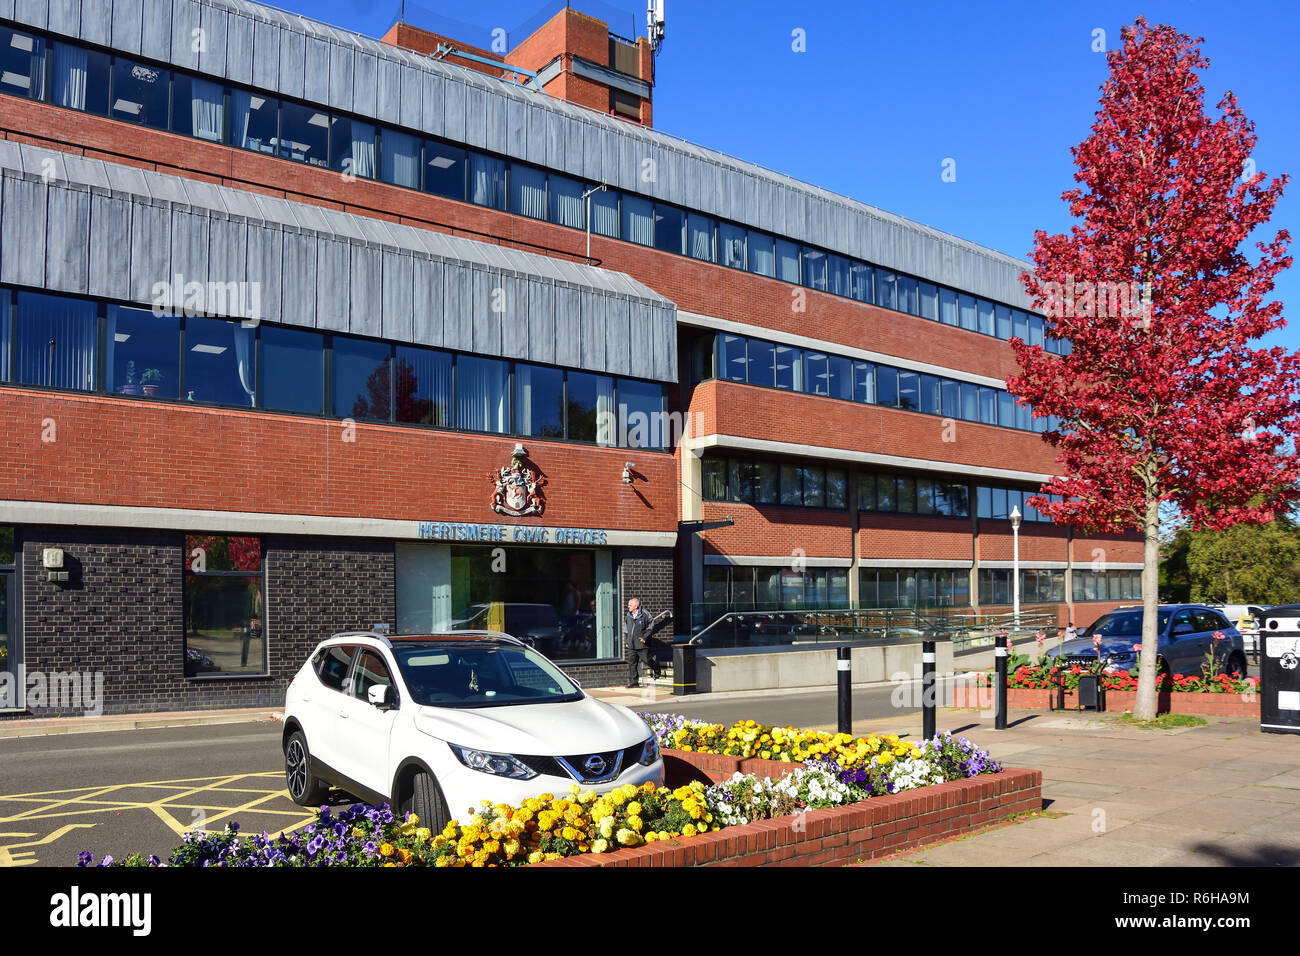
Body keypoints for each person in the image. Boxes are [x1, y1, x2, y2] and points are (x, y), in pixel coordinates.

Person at [624, 597, 654, 688]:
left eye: (630, 605)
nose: (628, 606)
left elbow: (651, 626)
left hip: (642, 644)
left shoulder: (645, 614)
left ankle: (657, 669)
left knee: (647, 660)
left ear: (636, 606)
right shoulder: (628, 615)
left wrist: (645, 637)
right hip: (632, 645)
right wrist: (627, 641)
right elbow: (626, 630)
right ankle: (634, 683)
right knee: (632, 663)